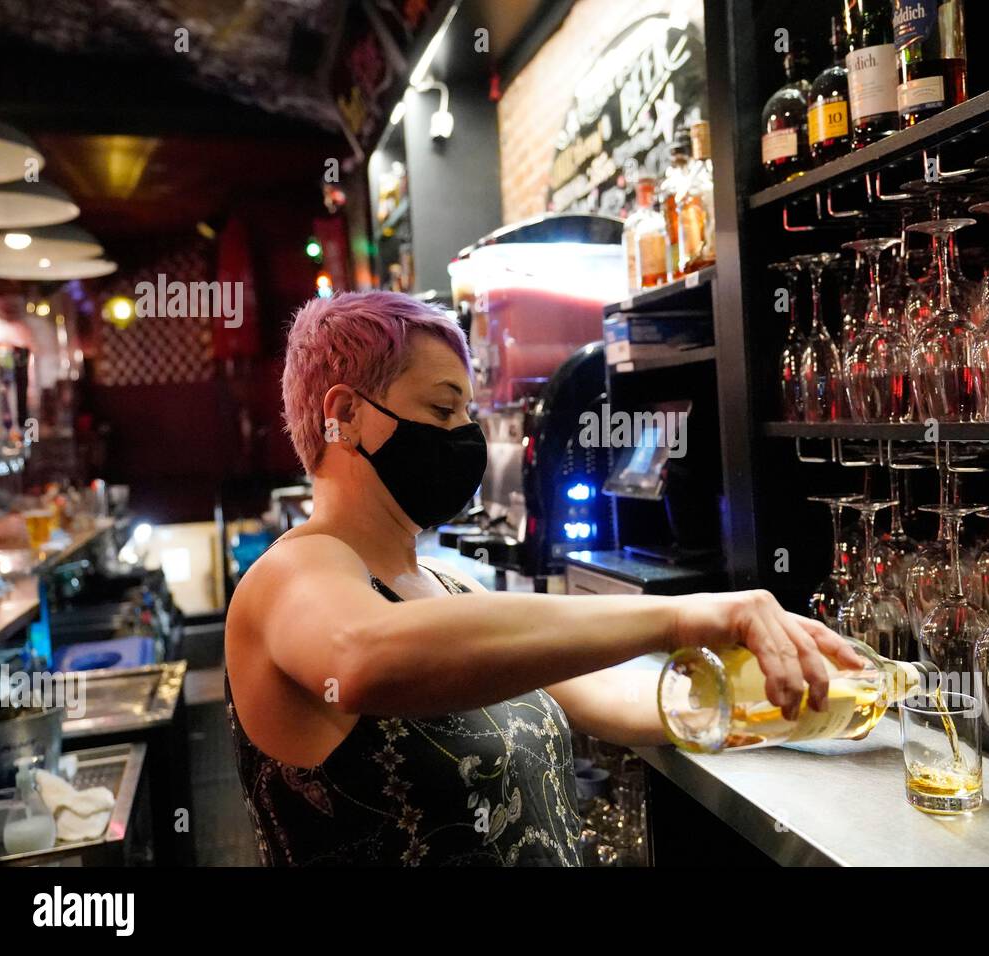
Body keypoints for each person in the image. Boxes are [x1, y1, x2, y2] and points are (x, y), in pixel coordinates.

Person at [225, 291, 860, 866]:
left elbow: (616, 703)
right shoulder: (292, 572)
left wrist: (806, 695)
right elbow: (361, 656)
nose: (465, 436)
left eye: (467, 413)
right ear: (346, 415)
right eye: (443, 409)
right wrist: (684, 616)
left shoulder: (451, 590)